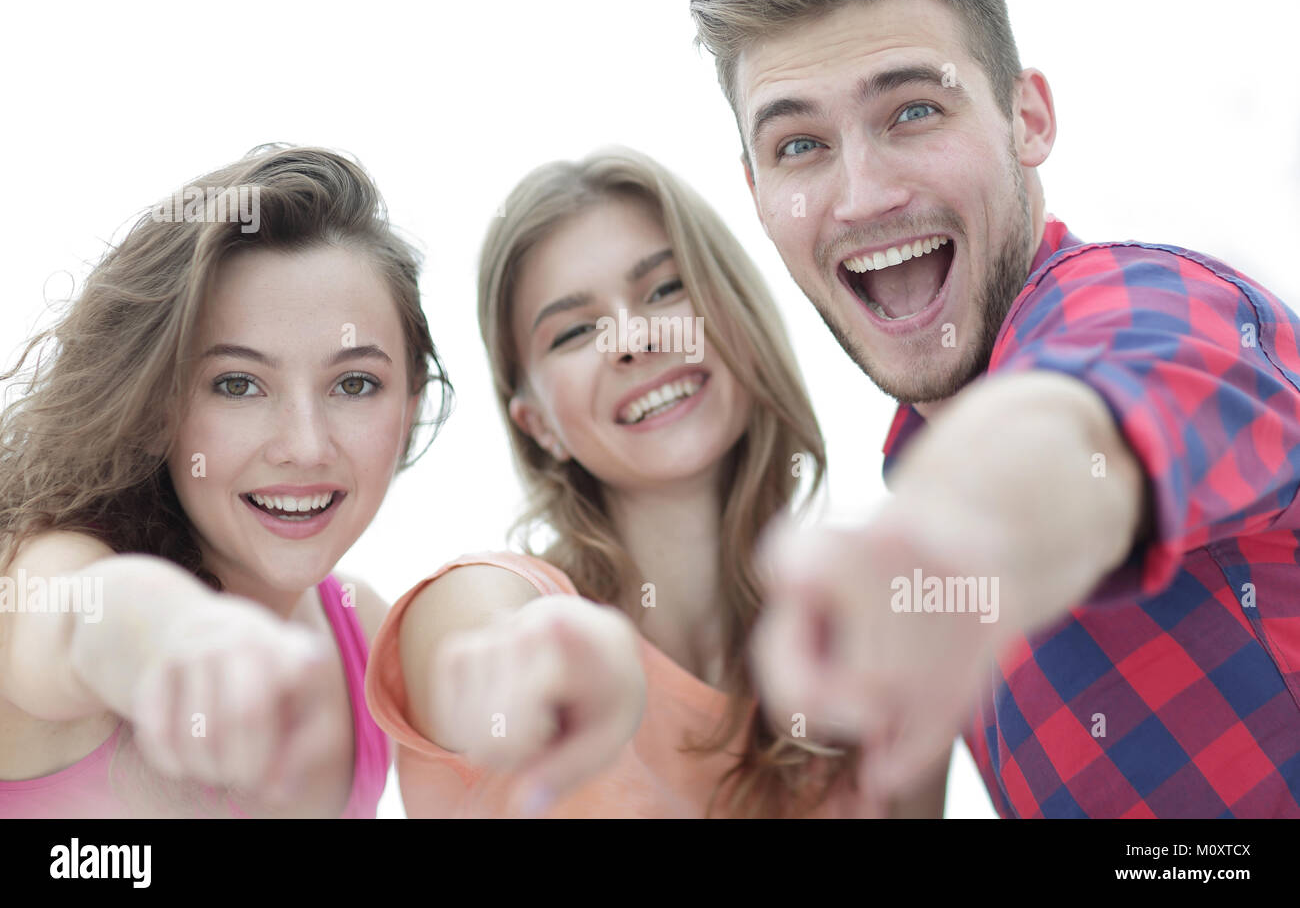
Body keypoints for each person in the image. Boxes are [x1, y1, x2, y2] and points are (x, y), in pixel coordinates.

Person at [689, 0, 1300, 818]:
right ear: (757, 193)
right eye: (800, 144)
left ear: (1029, 120)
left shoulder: (1150, 302)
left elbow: (1083, 416)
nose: (862, 195)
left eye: (912, 112)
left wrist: (947, 539)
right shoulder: (912, 479)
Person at [365, 146, 944, 817]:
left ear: (736, 322)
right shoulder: (482, 597)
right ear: (538, 424)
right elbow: (485, 642)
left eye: (665, 289)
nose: (631, 339)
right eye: (575, 330)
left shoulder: (864, 653)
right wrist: (539, 662)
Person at [0, 145, 451, 818]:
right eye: (238, 384)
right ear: (157, 409)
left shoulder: (363, 631)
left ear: (409, 404)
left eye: (355, 383)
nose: (305, 445)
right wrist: (178, 634)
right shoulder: (55, 563)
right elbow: (81, 613)